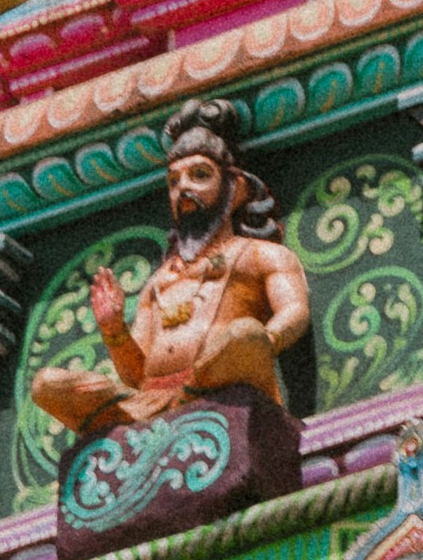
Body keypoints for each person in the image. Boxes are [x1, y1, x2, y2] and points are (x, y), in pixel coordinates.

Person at [25, 98, 311, 468]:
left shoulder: (258, 254)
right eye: (174, 181)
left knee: (240, 334)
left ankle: (198, 396)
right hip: (151, 402)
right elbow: (136, 375)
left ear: (235, 188)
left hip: (220, 379)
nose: (183, 189)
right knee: (47, 384)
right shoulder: (161, 281)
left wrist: (260, 343)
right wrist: (114, 330)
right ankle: (158, 418)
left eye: (200, 175)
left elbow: (295, 311)